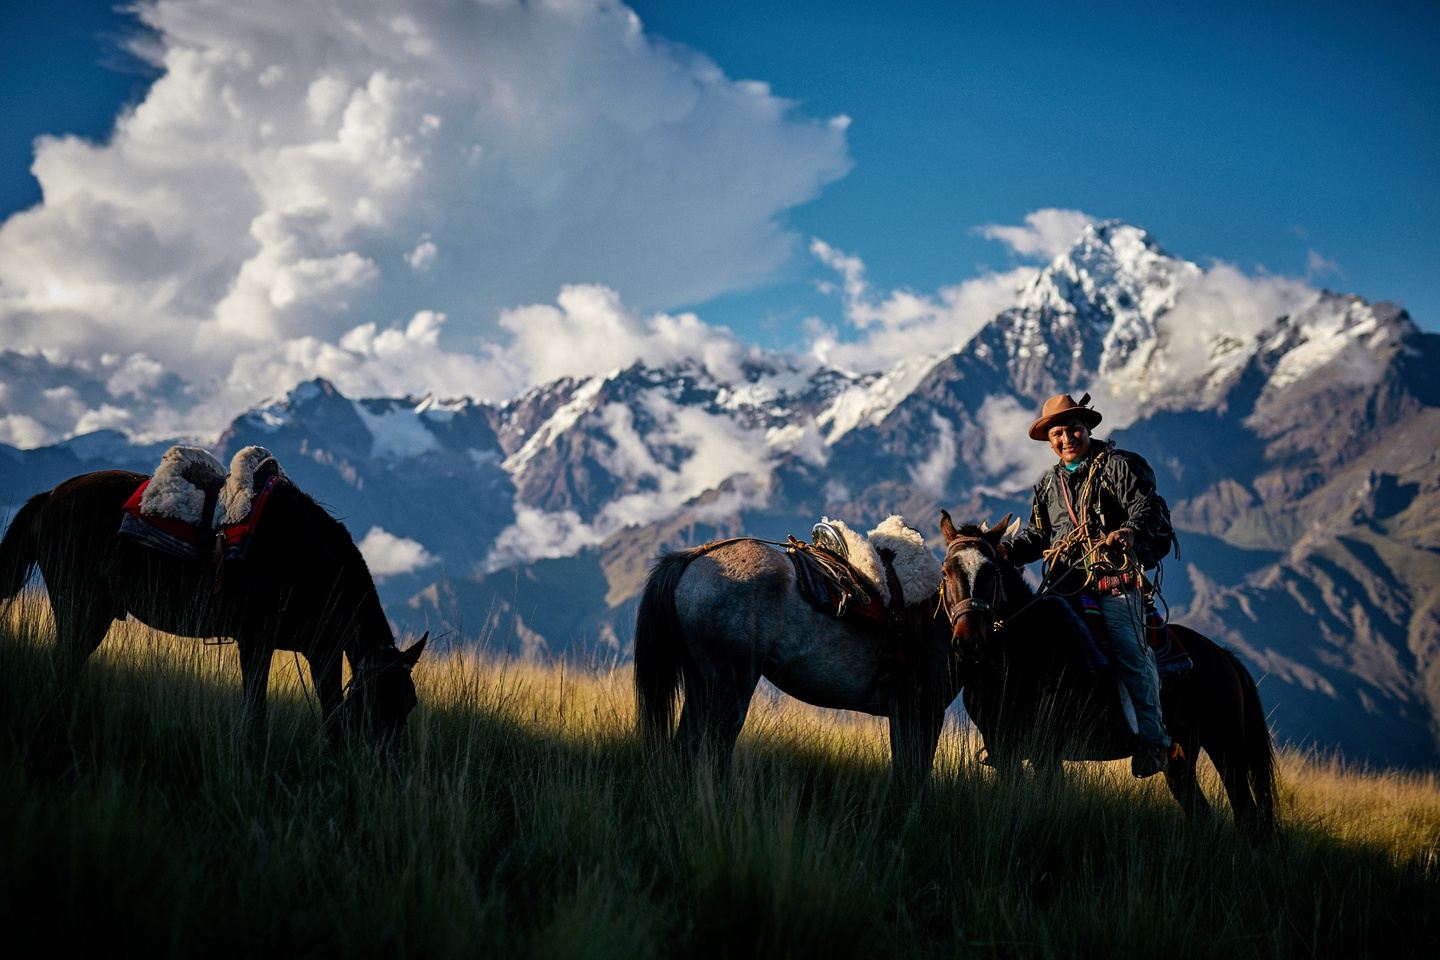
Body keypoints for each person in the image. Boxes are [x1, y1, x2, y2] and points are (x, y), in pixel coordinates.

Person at [998, 393, 1175, 778]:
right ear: (1049, 441)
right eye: (1058, 433)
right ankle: (1009, 734)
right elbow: (1038, 536)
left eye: (1073, 429)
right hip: (1063, 586)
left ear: (1087, 428)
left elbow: (1148, 507)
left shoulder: (1119, 466)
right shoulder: (1048, 485)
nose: (1066, 438)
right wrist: (1007, 552)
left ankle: (1153, 739)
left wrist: (1127, 530)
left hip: (1113, 582)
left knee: (1130, 650)